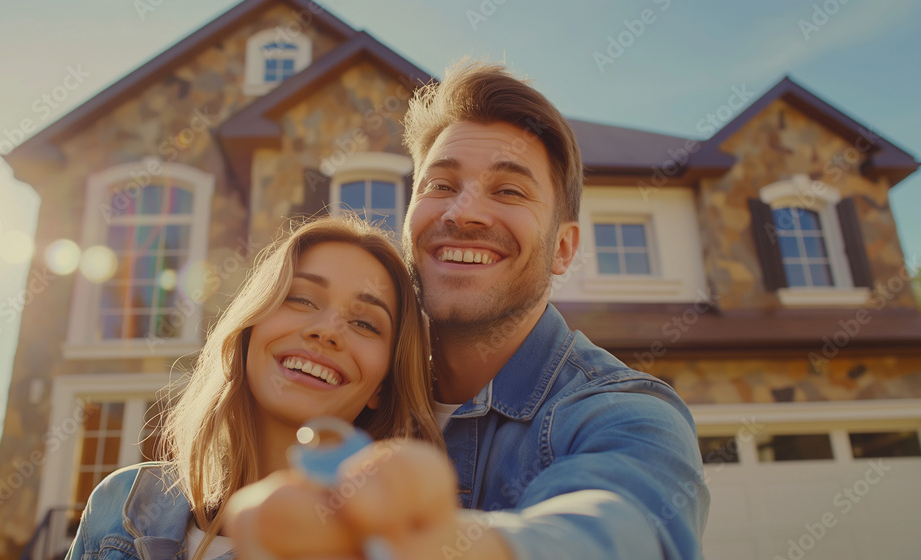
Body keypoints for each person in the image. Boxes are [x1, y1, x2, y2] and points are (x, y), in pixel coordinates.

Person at [224, 61, 710, 559]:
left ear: (563, 249)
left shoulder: (623, 414)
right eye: (440, 186)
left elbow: (623, 527)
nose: (463, 212)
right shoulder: (354, 379)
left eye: (508, 190)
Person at [64, 215, 444, 560]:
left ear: (383, 385)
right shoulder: (122, 501)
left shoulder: (386, 547)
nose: (328, 331)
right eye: (301, 299)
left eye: (365, 324)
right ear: (250, 330)